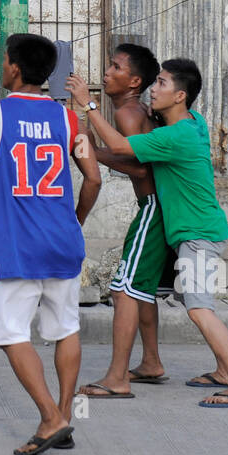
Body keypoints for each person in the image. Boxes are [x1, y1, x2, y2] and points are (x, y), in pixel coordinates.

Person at [0, 33, 102, 455]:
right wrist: (76, 221)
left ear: (13, 67)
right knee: (66, 329)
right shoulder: (71, 121)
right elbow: (94, 177)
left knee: (12, 332)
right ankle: (65, 417)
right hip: (63, 243)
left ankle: (50, 418)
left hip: (18, 248)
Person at [80, 58, 228, 408]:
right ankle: (221, 372)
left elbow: (120, 147)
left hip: (196, 235)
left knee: (199, 308)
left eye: (161, 83)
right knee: (157, 295)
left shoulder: (175, 136)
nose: (154, 88)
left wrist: (88, 105)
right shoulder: (194, 123)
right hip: (194, 230)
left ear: (180, 96)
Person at [65, 44, 172, 398]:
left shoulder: (128, 112)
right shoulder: (132, 110)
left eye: (115, 67)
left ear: (134, 81)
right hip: (158, 206)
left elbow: (140, 165)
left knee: (122, 289)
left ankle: (117, 378)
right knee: (142, 291)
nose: (107, 72)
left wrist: (94, 151)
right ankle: (151, 361)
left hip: (153, 208)